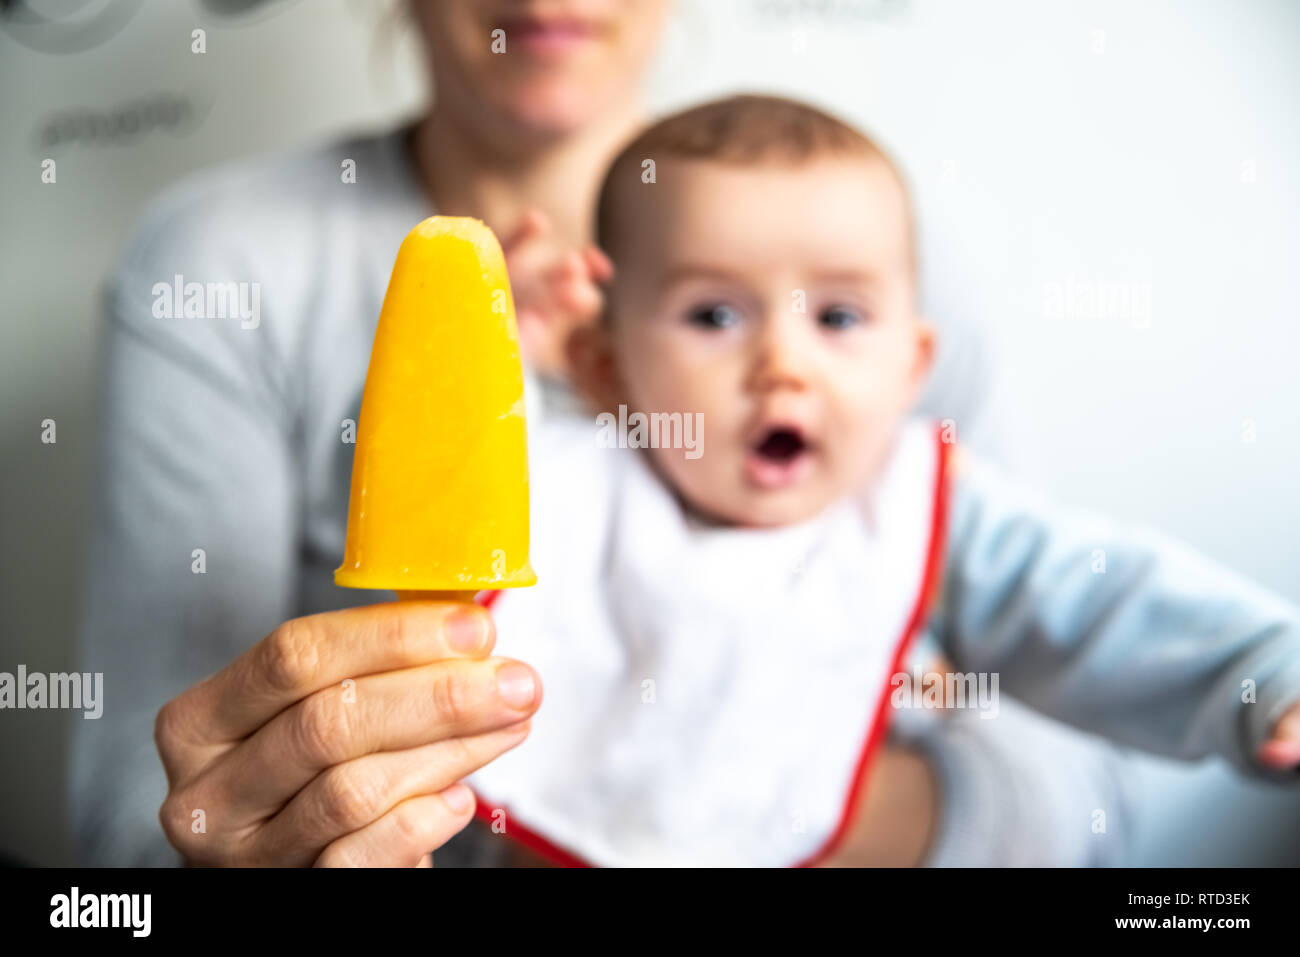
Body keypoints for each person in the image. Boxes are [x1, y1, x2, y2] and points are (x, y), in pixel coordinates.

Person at [71, 0, 1135, 867]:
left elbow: (1083, 798)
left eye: (833, 321)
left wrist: (763, 800)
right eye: (711, 316)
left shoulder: (869, 249)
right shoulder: (222, 267)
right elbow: (133, 833)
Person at [429, 93, 1300, 866]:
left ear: (912, 367)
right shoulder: (573, 484)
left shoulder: (921, 507)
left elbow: (1098, 600)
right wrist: (473, 361)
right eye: (714, 315)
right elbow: (427, 549)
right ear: (604, 364)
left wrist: (1264, 670)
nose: (783, 362)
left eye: (839, 316)